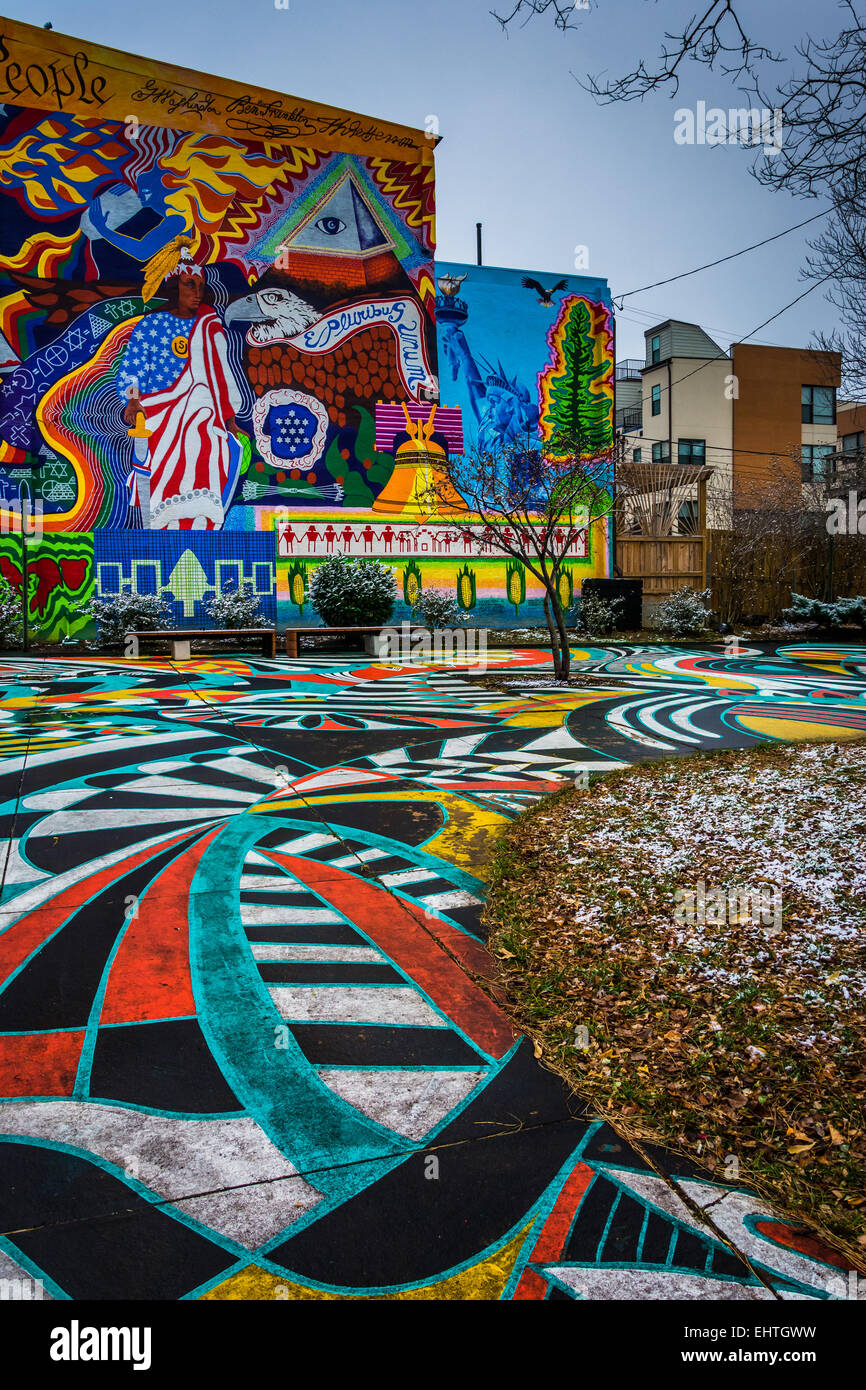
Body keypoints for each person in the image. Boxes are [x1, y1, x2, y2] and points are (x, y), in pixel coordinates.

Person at [118, 238, 243, 529]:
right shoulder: (152, 325)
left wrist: (228, 417)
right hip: (158, 412)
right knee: (179, 436)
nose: (197, 293)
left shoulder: (209, 325)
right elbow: (133, 371)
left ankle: (202, 517)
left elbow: (220, 375)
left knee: (216, 441)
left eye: (201, 286)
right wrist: (134, 401)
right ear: (174, 287)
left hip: (205, 413)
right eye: (190, 285)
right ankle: (166, 519)